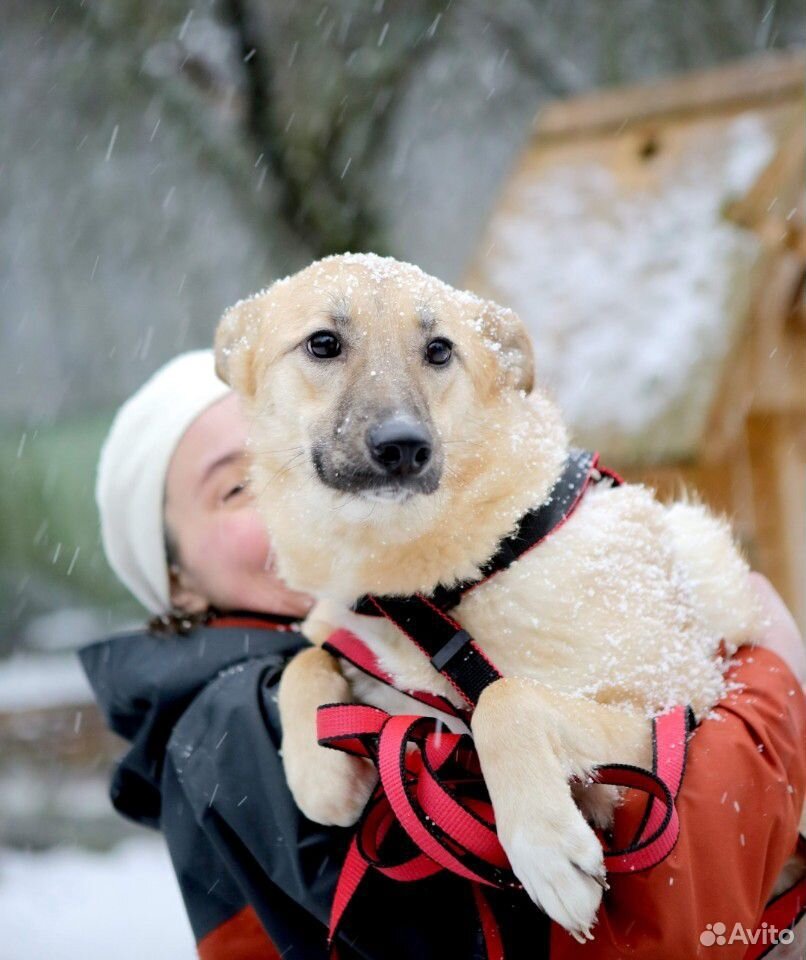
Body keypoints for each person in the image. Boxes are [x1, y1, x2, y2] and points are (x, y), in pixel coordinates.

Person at [80, 349, 806, 960]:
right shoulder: (241, 716)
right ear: (174, 577)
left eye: (297, 453)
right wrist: (772, 689)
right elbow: (612, 934)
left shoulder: (363, 642)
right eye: (238, 486)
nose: (292, 493)